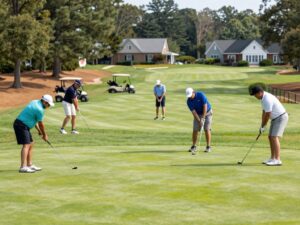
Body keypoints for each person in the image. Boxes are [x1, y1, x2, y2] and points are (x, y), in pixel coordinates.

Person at [13, 95, 54, 173]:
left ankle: (29, 164)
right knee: (26, 145)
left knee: (31, 143)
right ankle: (23, 167)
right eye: (48, 104)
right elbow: (41, 124)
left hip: (23, 125)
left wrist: (39, 131)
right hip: (21, 125)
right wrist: (44, 135)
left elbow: (32, 118)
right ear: (44, 102)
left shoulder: (34, 101)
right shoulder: (40, 110)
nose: (48, 106)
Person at [250, 86, 288, 166]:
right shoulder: (263, 98)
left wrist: (264, 126)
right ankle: (272, 158)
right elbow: (264, 112)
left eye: (255, 95)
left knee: (274, 137)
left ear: (260, 92)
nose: (255, 96)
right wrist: (262, 126)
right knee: (270, 137)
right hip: (275, 119)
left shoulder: (267, 99)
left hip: (280, 117)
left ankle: (277, 159)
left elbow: (268, 114)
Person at [186, 87, 213, 154]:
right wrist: (199, 121)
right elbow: (194, 112)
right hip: (198, 114)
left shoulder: (201, 95)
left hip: (207, 113)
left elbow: (205, 107)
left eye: (190, 95)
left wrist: (203, 118)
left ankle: (208, 146)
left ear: (193, 92)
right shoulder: (188, 101)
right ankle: (194, 146)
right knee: (195, 130)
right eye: (188, 96)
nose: (190, 97)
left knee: (207, 129)